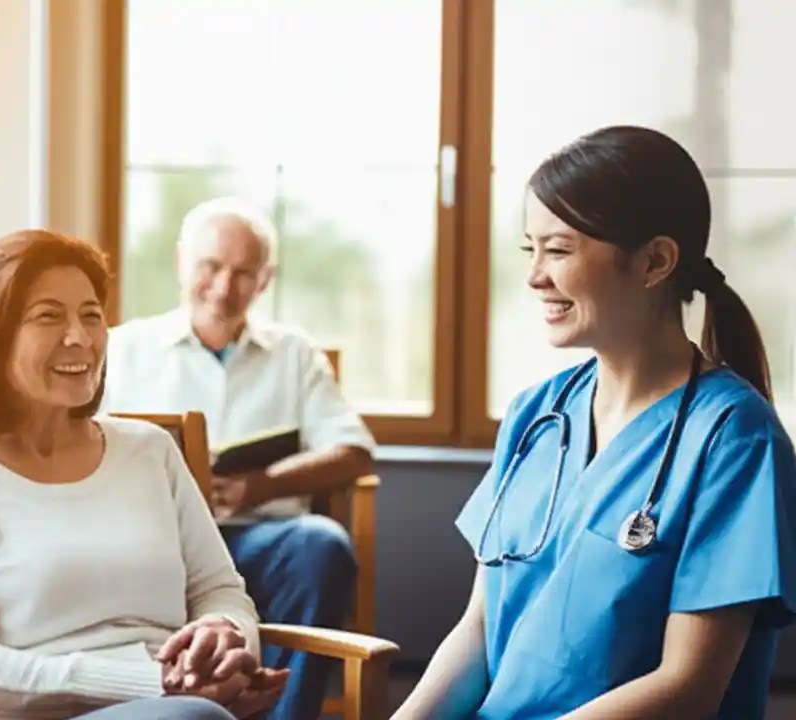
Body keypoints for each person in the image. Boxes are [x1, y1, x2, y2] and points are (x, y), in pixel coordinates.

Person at [394, 126, 796, 719]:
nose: (535, 276)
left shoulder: (734, 439)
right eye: (530, 250)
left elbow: (687, 687)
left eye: (558, 251)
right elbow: (477, 631)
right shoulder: (536, 416)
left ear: (655, 261)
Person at [0, 229, 289, 720]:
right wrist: (153, 684)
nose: (79, 337)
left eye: (91, 316)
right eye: (49, 316)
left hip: (185, 706)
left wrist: (225, 639)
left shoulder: (151, 450)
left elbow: (220, 590)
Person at [101, 198, 376, 719]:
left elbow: (353, 452)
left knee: (322, 544)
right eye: (210, 266)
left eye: (244, 273)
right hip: (159, 541)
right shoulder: (123, 349)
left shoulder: (294, 353)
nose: (224, 288)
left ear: (265, 280)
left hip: (259, 536)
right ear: (182, 263)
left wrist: (259, 486)